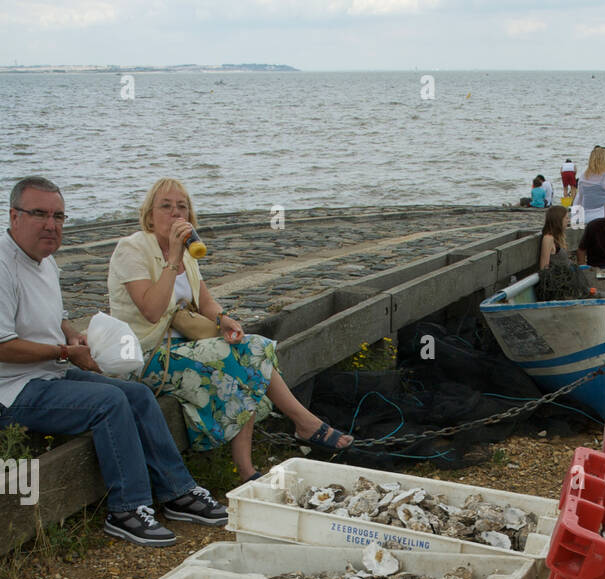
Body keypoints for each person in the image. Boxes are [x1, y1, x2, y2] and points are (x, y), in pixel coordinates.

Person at [0, 176, 227, 547]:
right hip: (12, 391)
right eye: (39, 214)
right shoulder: (3, 265)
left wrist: (72, 336)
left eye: (58, 216)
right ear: (14, 216)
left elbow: (53, 317)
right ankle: (127, 509)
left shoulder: (44, 261)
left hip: (49, 374)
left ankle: (177, 491)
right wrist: (63, 352)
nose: (51, 225)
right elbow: (3, 346)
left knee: (135, 395)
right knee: (109, 403)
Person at [108, 178, 352, 482]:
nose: (175, 213)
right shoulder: (132, 249)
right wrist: (172, 259)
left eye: (181, 207)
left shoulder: (186, 254)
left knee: (254, 346)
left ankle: (291, 431)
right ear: (149, 214)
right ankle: (260, 456)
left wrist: (224, 319)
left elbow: (205, 300)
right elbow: (151, 309)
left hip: (183, 345)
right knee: (230, 357)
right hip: (143, 353)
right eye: (166, 206)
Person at [572, 147, 605, 225]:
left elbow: (579, 199)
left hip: (586, 215)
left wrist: (575, 217)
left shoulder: (583, 176)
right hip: (602, 214)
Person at [538, 206, 571, 270]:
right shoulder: (548, 238)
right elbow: (544, 267)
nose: (568, 220)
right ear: (559, 220)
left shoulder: (558, 236)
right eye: (566, 218)